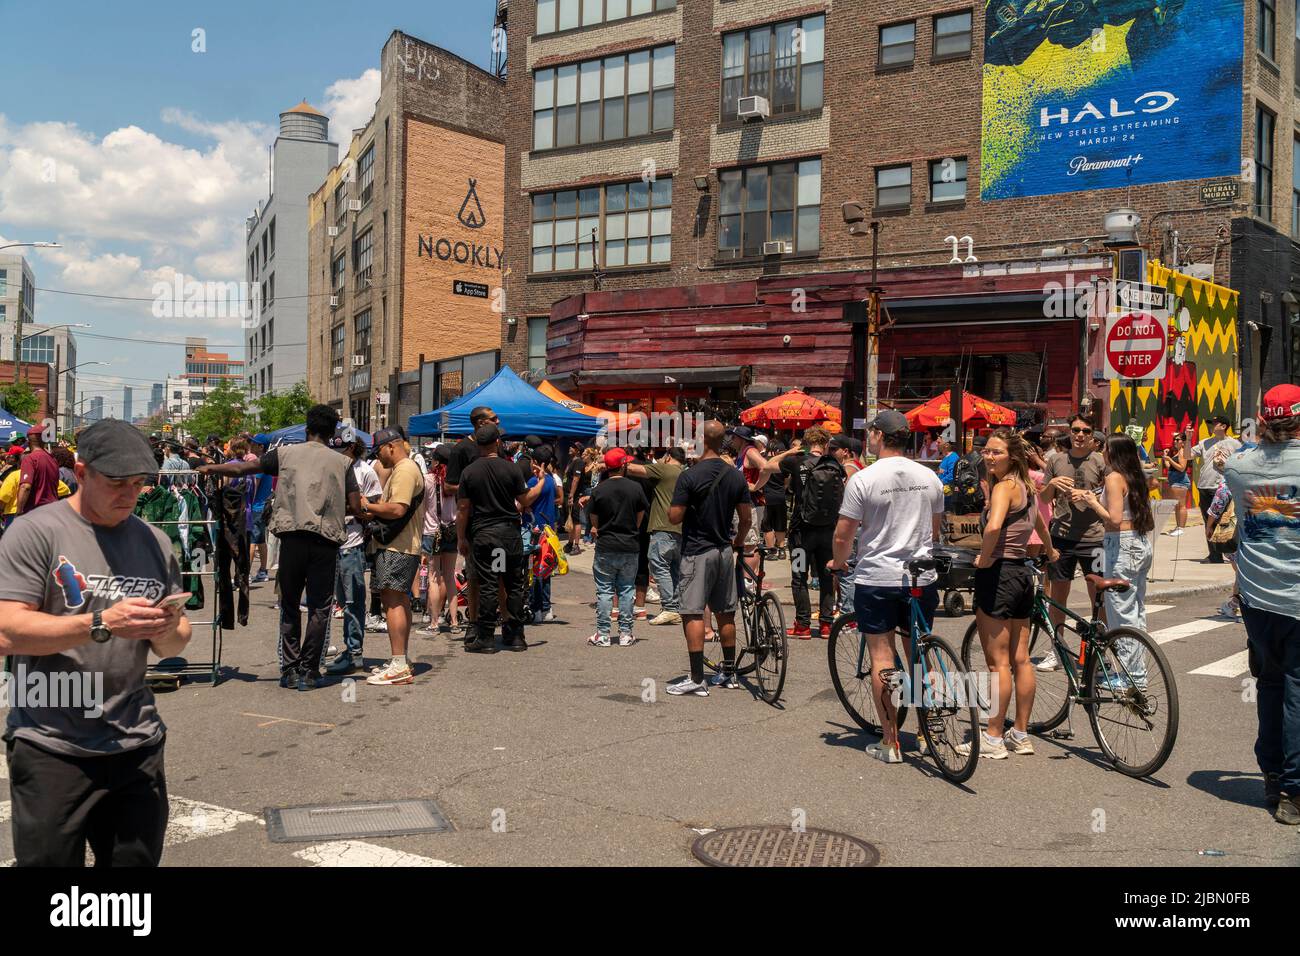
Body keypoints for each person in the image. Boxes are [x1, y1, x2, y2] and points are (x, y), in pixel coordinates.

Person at [0, 419, 192, 866]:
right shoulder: (36, 532)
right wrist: (101, 622)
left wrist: (164, 627)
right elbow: (7, 631)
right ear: (82, 472)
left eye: (140, 483)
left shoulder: (155, 541)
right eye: (117, 481)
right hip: (51, 744)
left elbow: (175, 644)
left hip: (135, 743)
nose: (130, 493)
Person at [199, 405, 361, 690]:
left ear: (307, 429)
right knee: (320, 607)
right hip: (325, 541)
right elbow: (356, 506)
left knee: (289, 604)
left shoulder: (284, 454)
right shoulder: (343, 463)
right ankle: (310, 671)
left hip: (291, 539)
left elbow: (242, 467)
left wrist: (211, 466)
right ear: (332, 431)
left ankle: (289, 669)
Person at [829, 410, 945, 763]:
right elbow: (935, 531)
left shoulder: (863, 479)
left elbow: (843, 534)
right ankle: (928, 731)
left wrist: (838, 562)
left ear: (878, 435)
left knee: (882, 656)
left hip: (877, 576)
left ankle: (890, 741)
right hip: (920, 576)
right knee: (920, 653)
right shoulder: (930, 477)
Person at [1223, 384, 1300, 824]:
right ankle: (1292, 788)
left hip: (1257, 598)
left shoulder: (1238, 468)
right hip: (1293, 597)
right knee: (1294, 688)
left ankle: (1272, 773)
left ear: (1262, 418)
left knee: (1272, 683)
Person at [971, 431, 1057, 759]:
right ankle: (1020, 733)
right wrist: (1050, 552)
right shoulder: (1028, 487)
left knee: (998, 664)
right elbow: (1042, 526)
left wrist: (985, 557)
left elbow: (993, 527)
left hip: (1000, 573)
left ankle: (993, 738)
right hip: (1022, 572)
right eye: (986, 451)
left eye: (996, 452)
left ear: (1012, 456)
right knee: (1021, 659)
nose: (989, 457)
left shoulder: (1004, 487)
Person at [666, 421, 752, 696]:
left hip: (697, 550)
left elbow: (674, 516)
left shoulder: (689, 476)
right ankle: (728, 673)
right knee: (725, 612)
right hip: (724, 549)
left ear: (702, 441)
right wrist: (737, 543)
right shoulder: (735, 475)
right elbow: (747, 519)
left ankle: (696, 678)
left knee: (692, 612)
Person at [1075, 434, 1157, 687]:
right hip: (1140, 542)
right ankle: (1135, 672)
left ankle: (1134, 677)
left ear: (1114, 453)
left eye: (1105, 449)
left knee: (1122, 613)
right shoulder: (1137, 476)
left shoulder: (1113, 477)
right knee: (1134, 610)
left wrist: (1091, 502)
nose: (1102, 453)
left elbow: (1112, 518)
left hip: (1121, 544)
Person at [456, 422, 543, 654]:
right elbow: (525, 501)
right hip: (508, 535)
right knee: (513, 584)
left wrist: (461, 537)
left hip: (485, 535)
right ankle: (515, 635)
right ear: (497, 442)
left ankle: (485, 636)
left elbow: (463, 508)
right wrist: (543, 482)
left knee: (489, 584)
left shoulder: (470, 471)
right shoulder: (511, 469)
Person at [1037, 413, 1106, 672]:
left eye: (1086, 431)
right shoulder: (1055, 460)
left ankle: (1099, 650)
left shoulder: (1100, 462)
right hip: (1061, 537)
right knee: (1058, 596)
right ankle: (1058, 649)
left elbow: (1112, 491)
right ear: (1069, 431)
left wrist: (1091, 495)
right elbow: (1043, 499)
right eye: (1076, 430)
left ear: (1092, 436)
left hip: (1094, 537)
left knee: (1097, 597)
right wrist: (1052, 483)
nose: (1079, 435)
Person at [360, 428, 427, 685]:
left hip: (398, 547)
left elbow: (398, 509)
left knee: (393, 600)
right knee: (397, 599)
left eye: (379, 451)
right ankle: (401, 660)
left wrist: (368, 506)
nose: (378, 458)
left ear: (391, 446)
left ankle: (398, 663)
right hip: (399, 546)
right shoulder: (404, 469)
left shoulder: (405, 469)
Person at [325, 437, 382, 675]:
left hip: (352, 543)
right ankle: (339, 650)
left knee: (353, 600)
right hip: (329, 541)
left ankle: (354, 651)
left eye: (341, 449)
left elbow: (373, 505)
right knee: (335, 601)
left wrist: (356, 509)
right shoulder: (330, 466)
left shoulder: (365, 471)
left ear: (350, 449)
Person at [586, 448, 649, 646]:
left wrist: (601, 528)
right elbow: (640, 515)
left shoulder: (599, 490)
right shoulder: (635, 488)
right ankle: (625, 633)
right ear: (622, 465)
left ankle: (603, 634)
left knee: (604, 590)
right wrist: (632, 528)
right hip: (629, 543)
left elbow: (594, 519)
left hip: (606, 544)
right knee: (626, 589)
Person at [785, 428, 844, 639]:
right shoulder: (835, 465)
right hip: (827, 531)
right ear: (826, 444)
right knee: (827, 576)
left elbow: (769, 466)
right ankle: (827, 624)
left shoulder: (797, 463)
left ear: (807, 443)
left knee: (799, 576)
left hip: (801, 533)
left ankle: (803, 625)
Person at [445, 406, 498, 634]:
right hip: (474, 524)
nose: (498, 420)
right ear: (480, 423)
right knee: (474, 575)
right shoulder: (461, 449)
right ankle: (474, 623)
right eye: (493, 418)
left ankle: (502, 620)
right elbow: (448, 486)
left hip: (498, 525)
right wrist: (472, 487)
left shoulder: (498, 446)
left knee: (499, 572)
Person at [627, 446, 686, 627]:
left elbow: (632, 468)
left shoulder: (664, 468)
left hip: (663, 526)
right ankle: (675, 607)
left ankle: (669, 607)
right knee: (674, 570)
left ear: (668, 457)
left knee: (659, 566)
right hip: (681, 529)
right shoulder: (685, 472)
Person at [420, 443, 462, 635]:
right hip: (452, 530)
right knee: (450, 577)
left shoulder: (428, 480)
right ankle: (454, 622)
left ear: (435, 460)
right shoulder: (455, 481)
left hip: (431, 531)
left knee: (434, 577)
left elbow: (422, 508)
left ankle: (434, 622)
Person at [1190, 416, 1241, 563]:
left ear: (1224, 426)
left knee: (1224, 520)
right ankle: (1214, 554)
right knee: (1208, 521)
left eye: (1213, 423)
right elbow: (1188, 455)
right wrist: (1188, 439)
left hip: (1223, 487)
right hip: (1205, 485)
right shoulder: (1204, 443)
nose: (1210, 426)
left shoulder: (1235, 444)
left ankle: (1228, 551)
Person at [16, 425, 60, 516]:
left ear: (28, 441)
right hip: (53, 511)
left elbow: (25, 487)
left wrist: (19, 512)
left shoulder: (30, 459)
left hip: (35, 512)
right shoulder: (53, 459)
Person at [563, 444, 592, 554]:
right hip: (567, 495)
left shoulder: (579, 462)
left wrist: (571, 495)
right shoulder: (571, 461)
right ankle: (570, 543)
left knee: (575, 520)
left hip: (574, 496)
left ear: (578, 451)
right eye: (570, 446)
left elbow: (576, 479)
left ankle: (576, 545)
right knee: (569, 519)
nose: (570, 448)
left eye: (573, 447)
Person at [1161, 432, 1191, 536]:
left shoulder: (1182, 452)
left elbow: (1182, 468)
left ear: (1183, 442)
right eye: (1174, 439)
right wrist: (1166, 457)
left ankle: (1181, 528)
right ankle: (1178, 527)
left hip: (1180, 481)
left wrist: (1169, 459)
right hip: (1175, 481)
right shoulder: (1178, 452)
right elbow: (1170, 467)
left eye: (1177, 440)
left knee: (1181, 505)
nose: (1175, 441)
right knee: (1177, 506)